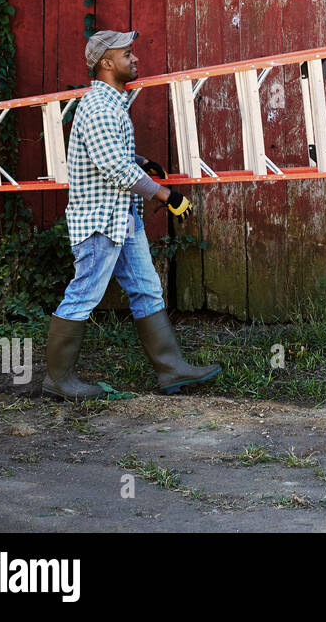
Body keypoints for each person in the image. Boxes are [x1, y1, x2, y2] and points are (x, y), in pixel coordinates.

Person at [42, 30, 222, 400]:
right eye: (128, 54)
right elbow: (113, 169)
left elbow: (114, 158)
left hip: (122, 218)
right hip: (100, 221)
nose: (135, 59)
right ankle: (58, 380)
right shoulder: (100, 107)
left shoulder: (112, 105)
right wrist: (166, 194)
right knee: (83, 294)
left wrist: (140, 161)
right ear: (106, 64)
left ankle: (171, 370)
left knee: (146, 288)